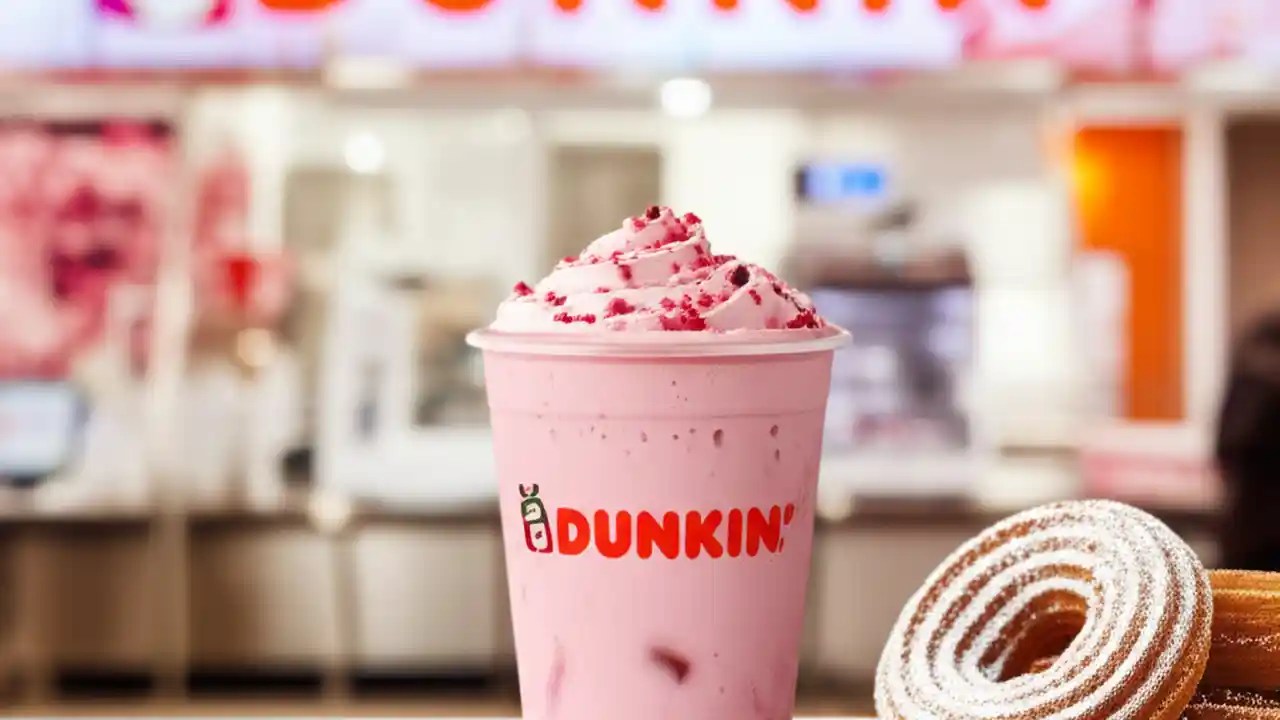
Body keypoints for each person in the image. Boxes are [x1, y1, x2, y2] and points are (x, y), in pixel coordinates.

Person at [1216, 312, 1280, 570]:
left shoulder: (1259, 347)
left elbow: (1227, 447)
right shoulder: (1266, 343)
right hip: (1258, 530)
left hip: (1247, 526)